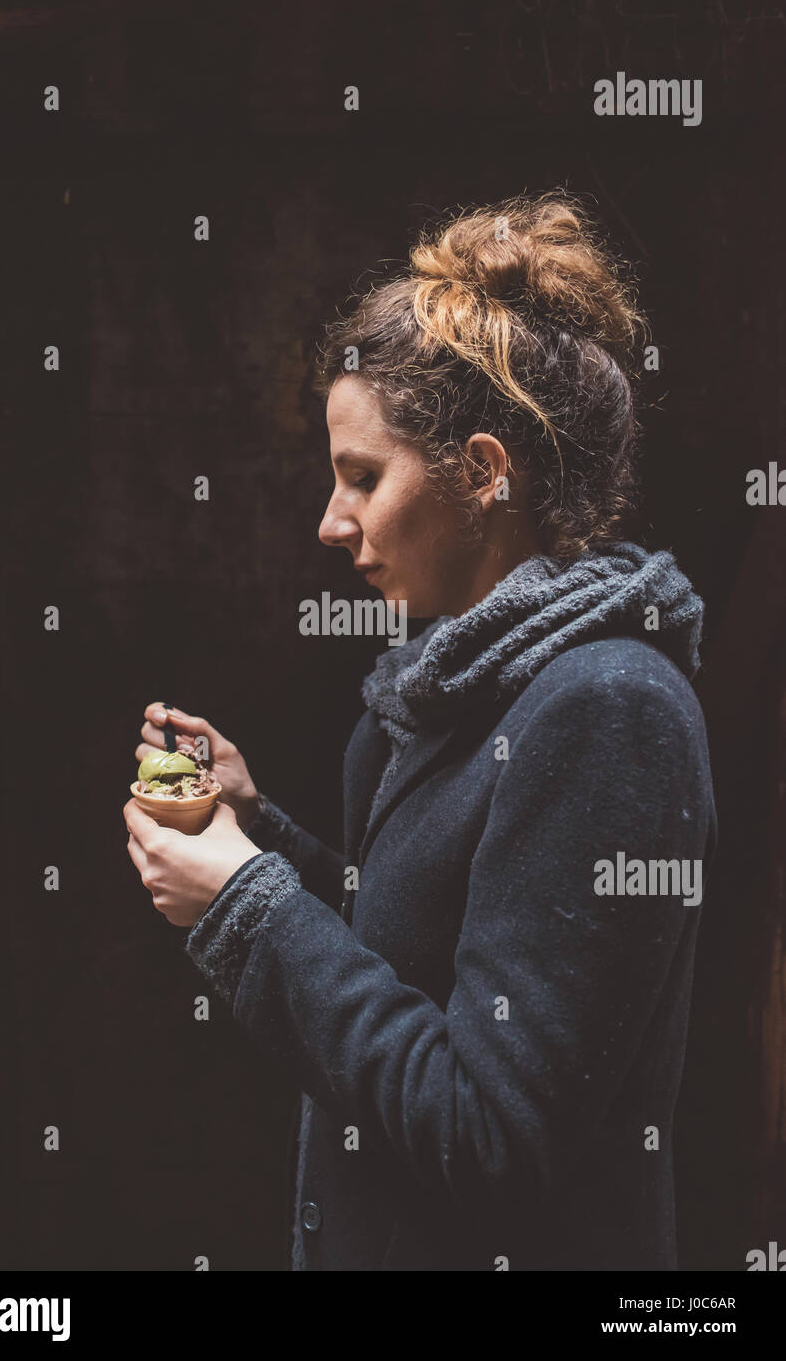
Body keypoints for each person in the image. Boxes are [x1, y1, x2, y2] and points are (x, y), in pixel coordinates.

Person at [123, 192, 717, 1271]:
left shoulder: (609, 708)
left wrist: (245, 906)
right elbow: (411, 963)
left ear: (485, 472)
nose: (329, 519)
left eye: (362, 476)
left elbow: (489, 1129)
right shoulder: (453, 691)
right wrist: (258, 838)